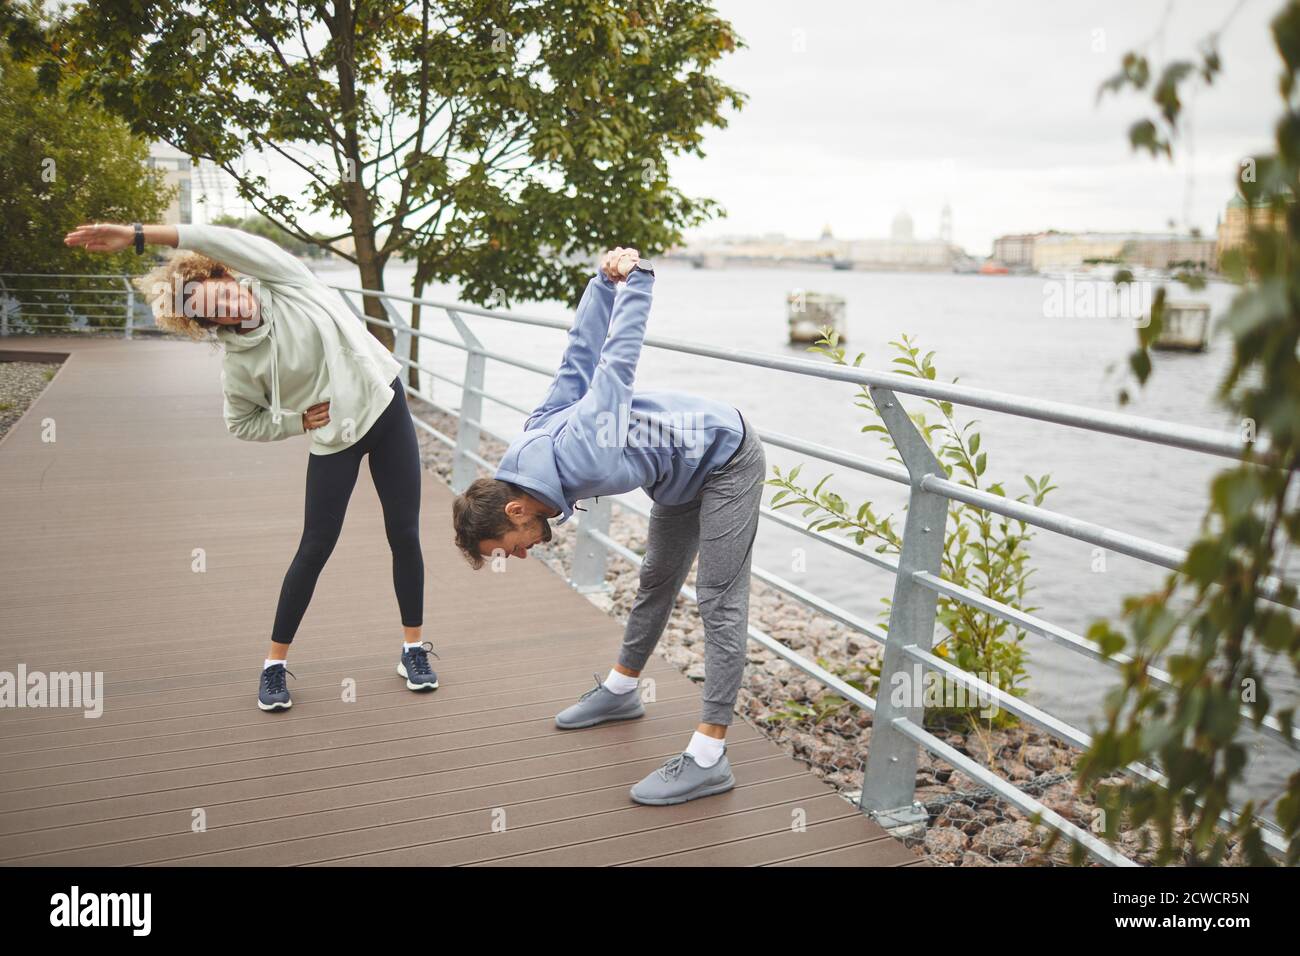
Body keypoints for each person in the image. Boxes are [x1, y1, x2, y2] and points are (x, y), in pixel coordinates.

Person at [64, 222, 437, 711]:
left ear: (224, 275)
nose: (222, 306)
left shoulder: (285, 281)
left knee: (404, 534)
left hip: (386, 409)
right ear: (209, 325)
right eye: (207, 312)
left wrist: (138, 236)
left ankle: (413, 649)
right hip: (334, 438)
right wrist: (294, 421)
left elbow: (219, 236)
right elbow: (242, 423)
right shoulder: (240, 365)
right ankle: (274, 665)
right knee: (314, 548)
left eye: (216, 293)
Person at [451, 247, 766, 805]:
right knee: (655, 579)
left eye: (510, 548)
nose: (520, 555)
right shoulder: (529, 444)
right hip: (681, 475)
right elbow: (577, 359)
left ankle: (709, 755)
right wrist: (600, 284)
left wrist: (637, 279)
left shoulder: (582, 455)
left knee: (718, 599)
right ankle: (622, 690)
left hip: (727, 457)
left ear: (516, 511)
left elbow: (615, 362)